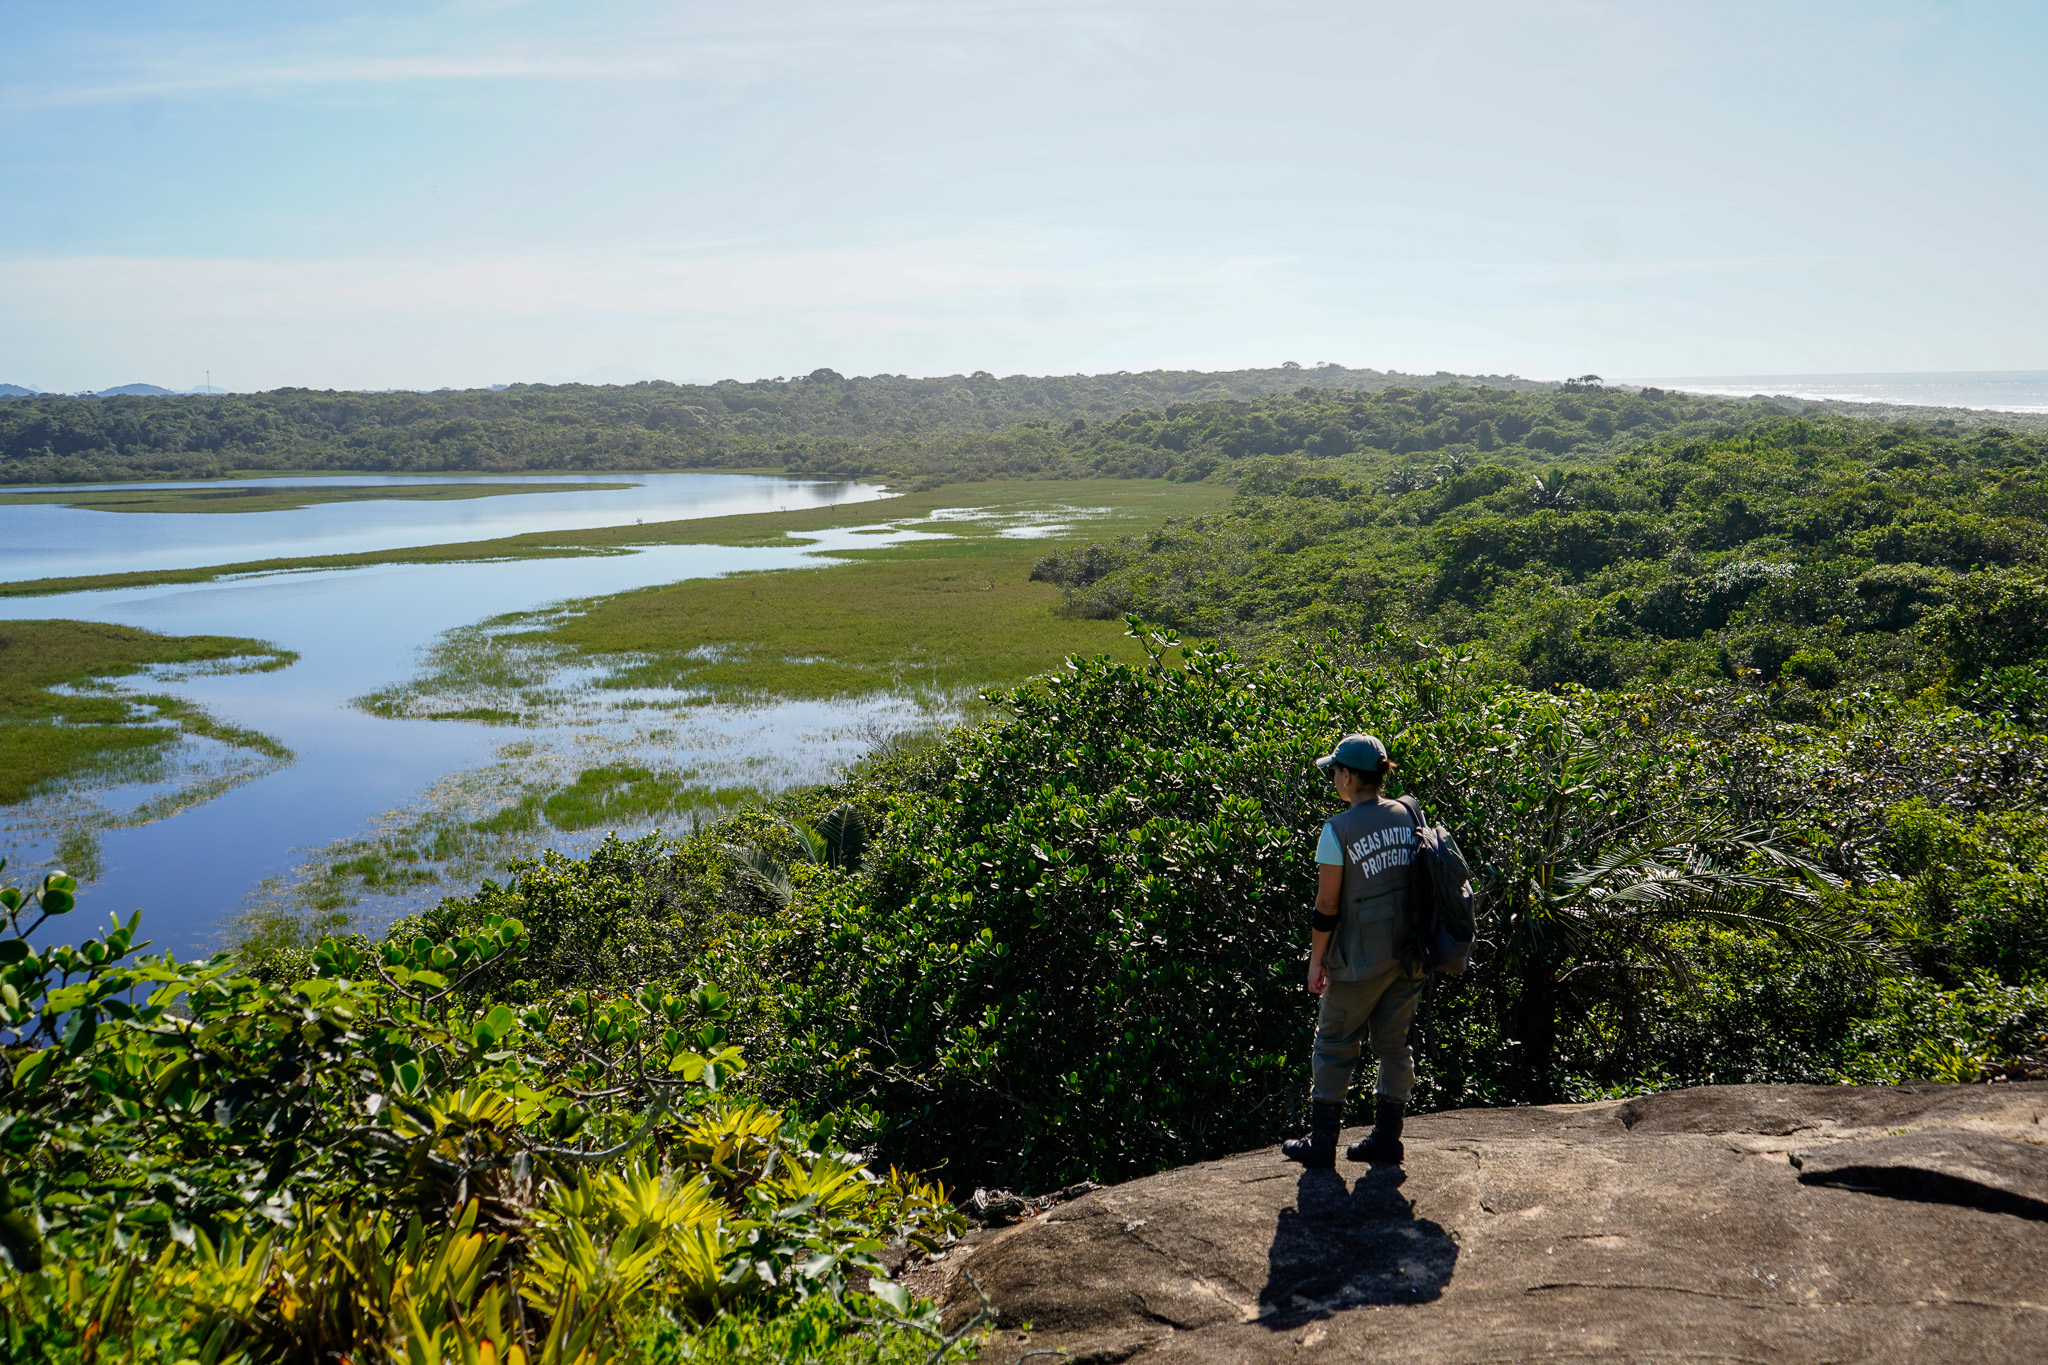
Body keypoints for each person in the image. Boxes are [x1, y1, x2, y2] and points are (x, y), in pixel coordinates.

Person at [1280, 733, 1426, 1169]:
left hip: (1360, 960)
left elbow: (1326, 906)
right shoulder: (1406, 812)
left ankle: (1322, 1142)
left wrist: (1316, 960)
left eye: (1334, 772)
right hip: (1409, 954)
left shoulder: (1337, 830)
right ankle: (1387, 1138)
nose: (1333, 779)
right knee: (1394, 1045)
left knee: (1334, 1043)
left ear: (1347, 776)